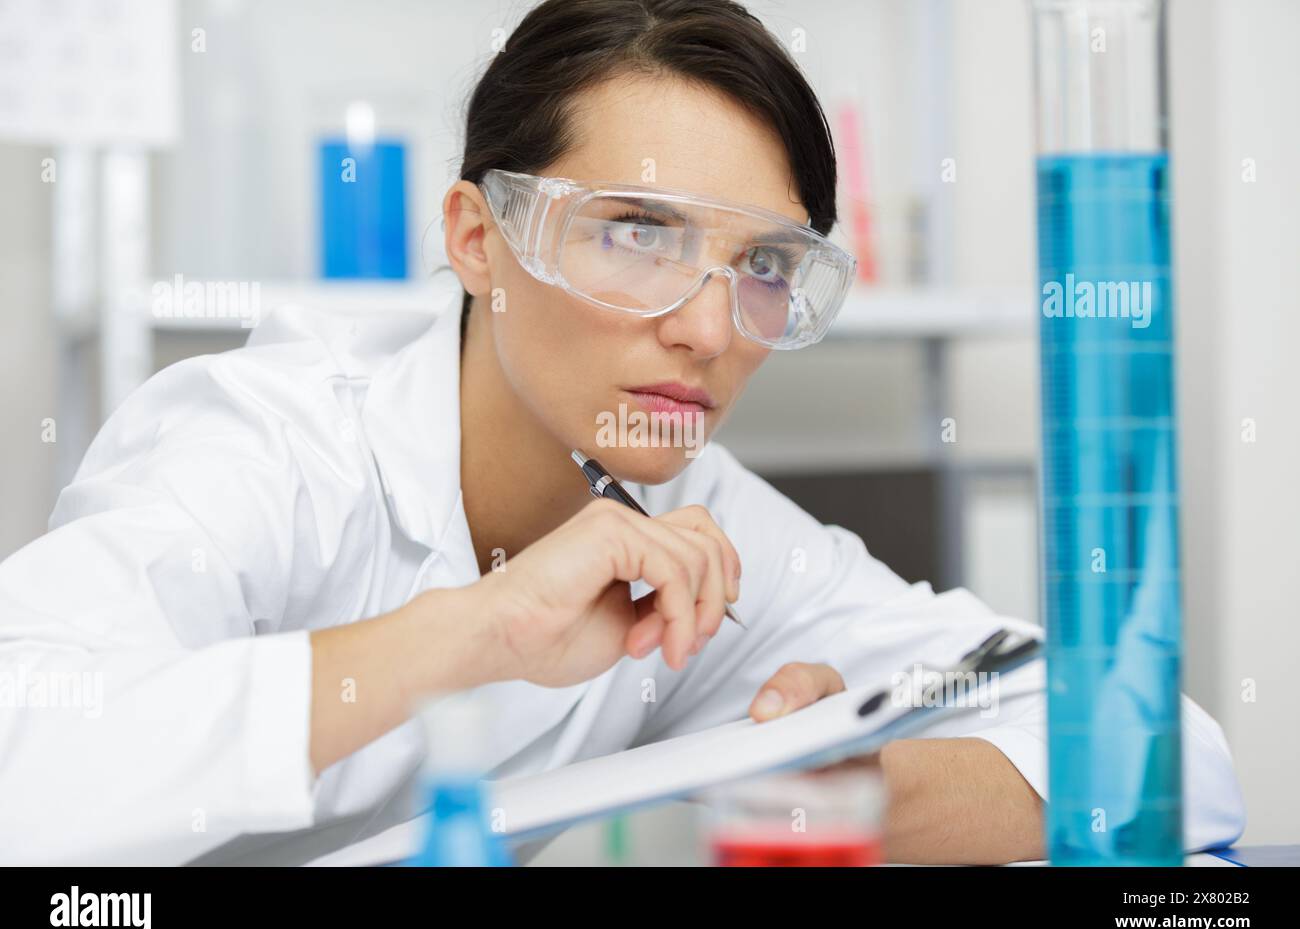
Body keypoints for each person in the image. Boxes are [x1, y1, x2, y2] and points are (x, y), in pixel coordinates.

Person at [0, 0, 1244, 866]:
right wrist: (474, 631)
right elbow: (24, 763)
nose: (709, 327)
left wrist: (841, 786)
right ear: (480, 240)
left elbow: (1157, 749)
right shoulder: (259, 450)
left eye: (763, 261)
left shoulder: (708, 530)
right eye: (638, 232)